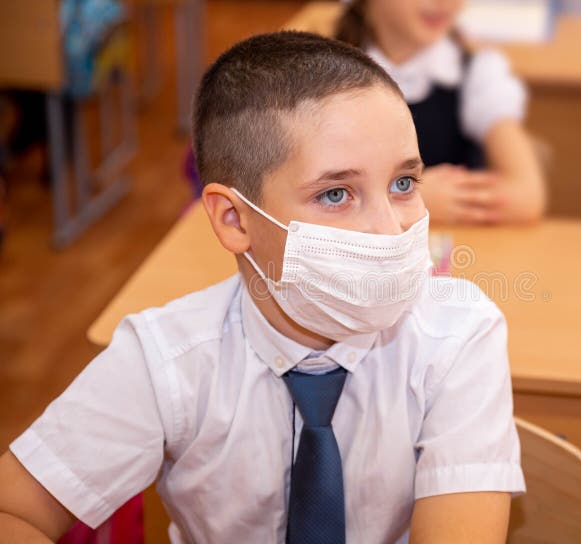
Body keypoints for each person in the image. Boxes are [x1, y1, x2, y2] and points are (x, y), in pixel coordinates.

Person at [0, 32, 524, 543]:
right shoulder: (167, 361)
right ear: (233, 218)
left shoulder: (459, 337)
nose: (390, 230)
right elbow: (13, 510)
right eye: (337, 194)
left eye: (403, 184)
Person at [335, 0, 547, 225]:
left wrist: (400, 202)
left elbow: (527, 196)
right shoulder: (321, 78)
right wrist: (416, 199)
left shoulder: (476, 71)